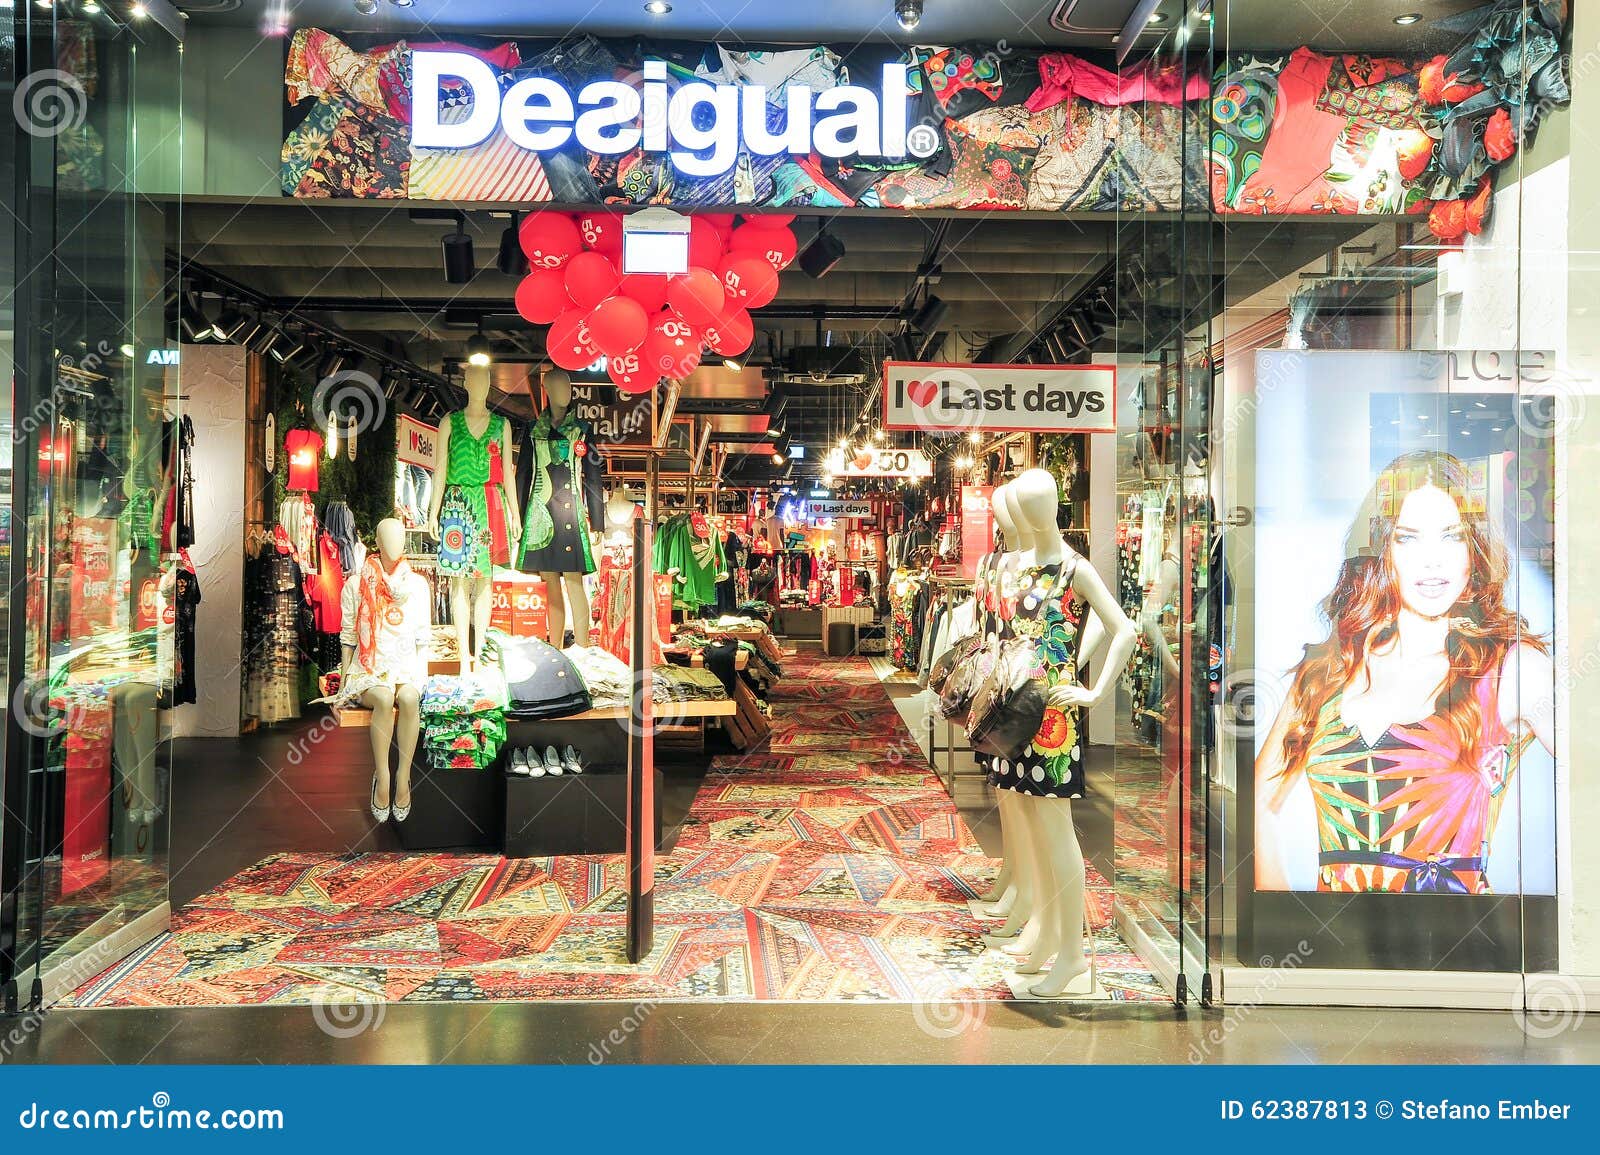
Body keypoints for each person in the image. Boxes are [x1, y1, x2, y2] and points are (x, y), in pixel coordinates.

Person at [1255, 450, 1554, 894]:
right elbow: (1259, 803)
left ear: (1474, 549)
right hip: (1334, 950)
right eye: (1408, 538)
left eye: (1452, 537)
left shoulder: (1509, 669)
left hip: (1458, 948)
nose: (1432, 560)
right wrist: (1286, 921)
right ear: (1381, 548)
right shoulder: (1328, 671)